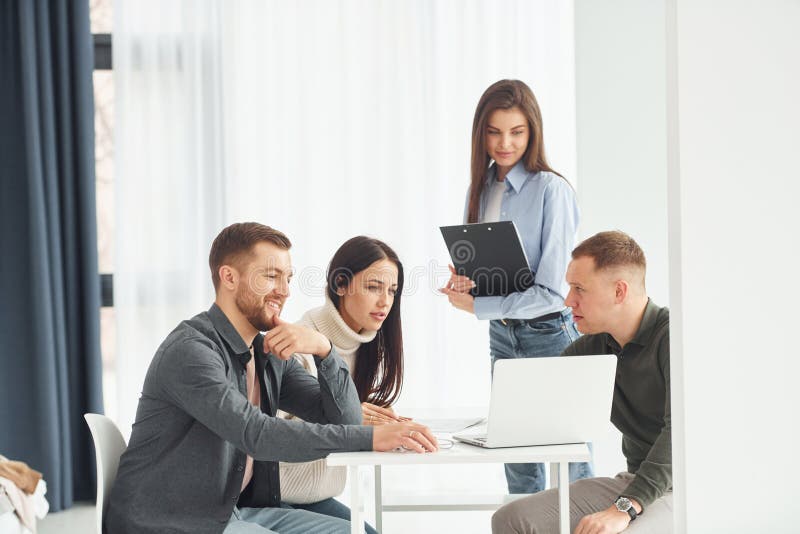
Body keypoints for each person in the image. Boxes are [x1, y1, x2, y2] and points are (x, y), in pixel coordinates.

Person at [105, 222, 437, 534]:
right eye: (271, 276)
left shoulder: (266, 352)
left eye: (288, 278)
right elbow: (256, 433)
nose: (285, 291)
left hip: (231, 511)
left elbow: (343, 419)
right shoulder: (192, 351)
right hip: (172, 520)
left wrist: (324, 350)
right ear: (229, 278)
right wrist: (373, 438)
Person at [441, 79, 591, 494]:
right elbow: (485, 272)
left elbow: (552, 291)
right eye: (494, 132)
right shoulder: (479, 189)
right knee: (518, 458)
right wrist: (465, 285)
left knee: (569, 459)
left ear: (533, 132)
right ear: (481, 133)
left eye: (516, 132)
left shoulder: (552, 191)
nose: (504, 143)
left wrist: (478, 308)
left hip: (551, 335)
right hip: (503, 336)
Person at [491, 231, 672, 534]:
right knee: (511, 519)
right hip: (635, 482)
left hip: (687, 487)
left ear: (619, 291)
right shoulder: (594, 345)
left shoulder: (673, 337)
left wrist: (622, 509)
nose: (567, 300)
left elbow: (680, 435)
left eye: (579, 288)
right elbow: (536, 403)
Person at [279, 236, 410, 534]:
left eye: (392, 290)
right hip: (278, 497)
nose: (385, 301)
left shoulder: (364, 345)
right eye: (373, 287)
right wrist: (346, 418)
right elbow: (266, 434)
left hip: (319, 496)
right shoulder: (300, 343)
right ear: (340, 284)